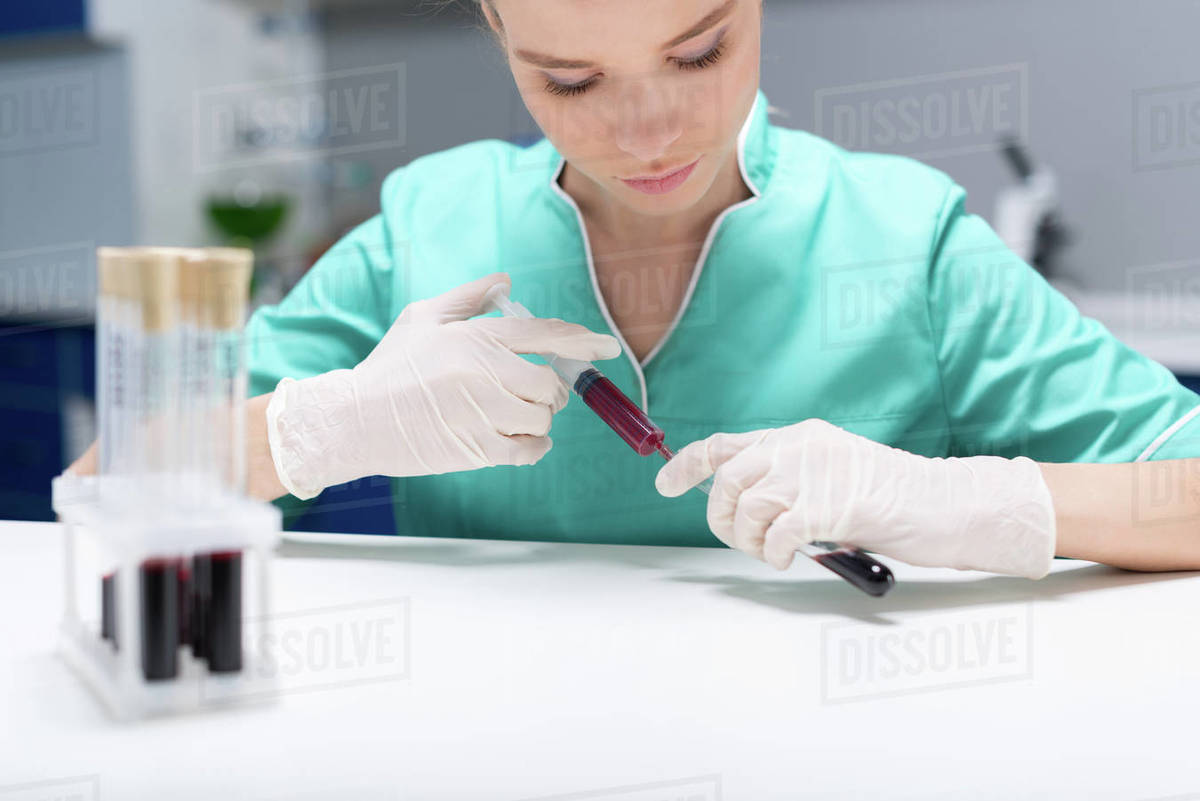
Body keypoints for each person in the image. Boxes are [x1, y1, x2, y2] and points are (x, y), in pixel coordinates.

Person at [75, 0, 1200, 578]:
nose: (647, 130)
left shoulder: (906, 241)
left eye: (700, 52)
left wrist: (974, 505)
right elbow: (99, 487)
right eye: (570, 80)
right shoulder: (429, 229)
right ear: (495, 28)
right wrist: (316, 428)